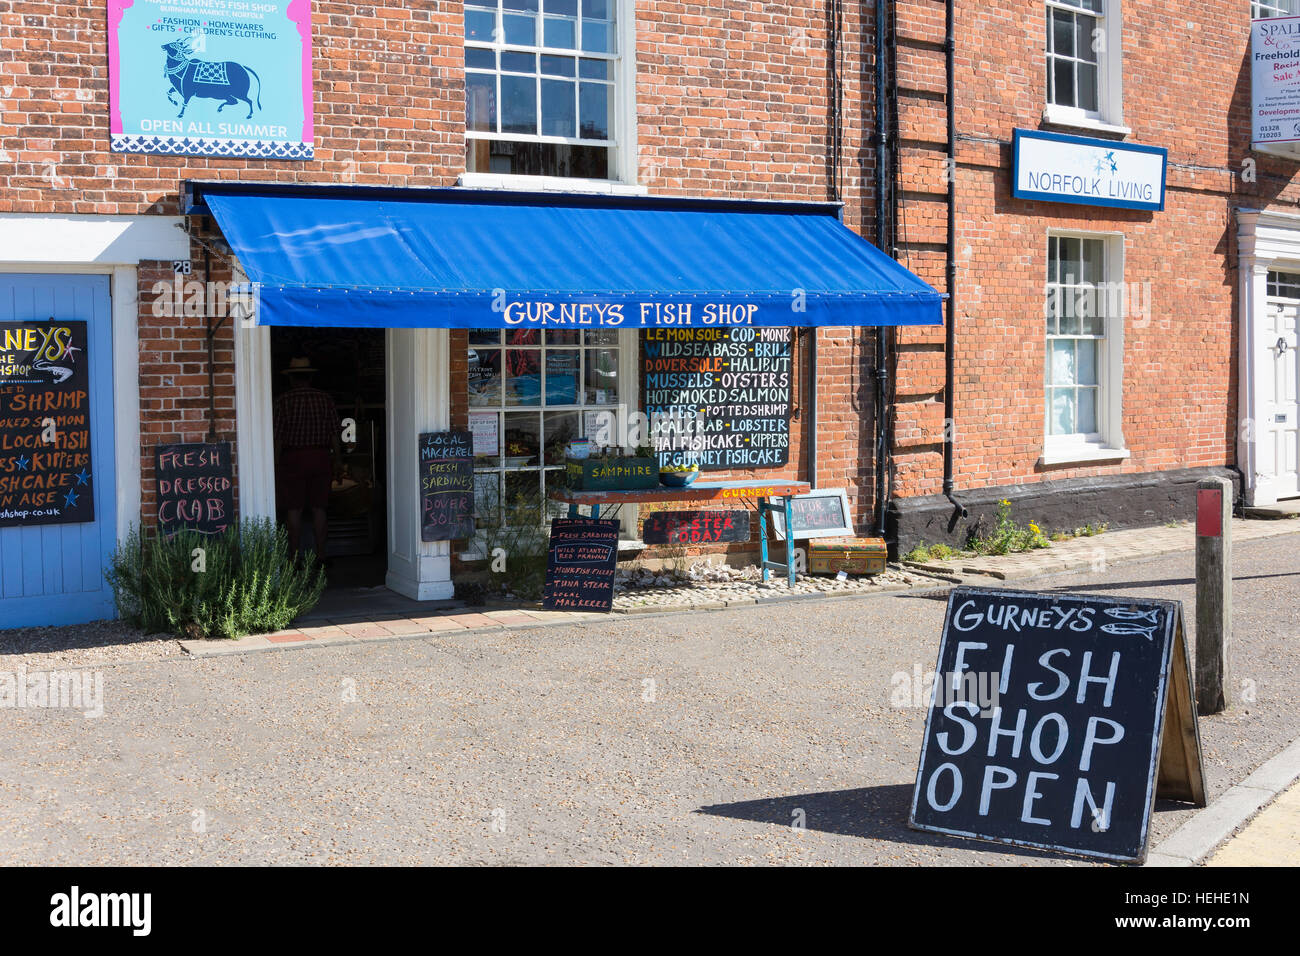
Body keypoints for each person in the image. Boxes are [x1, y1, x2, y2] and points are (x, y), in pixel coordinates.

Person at [273, 356, 340, 560]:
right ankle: (320, 556)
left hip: (292, 458)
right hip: (320, 456)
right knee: (319, 509)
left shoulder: (284, 401)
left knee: (294, 510)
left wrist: (275, 465)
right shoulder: (325, 399)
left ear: (292, 379)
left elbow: (278, 436)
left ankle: (293, 557)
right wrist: (338, 460)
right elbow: (335, 433)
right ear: (310, 378)